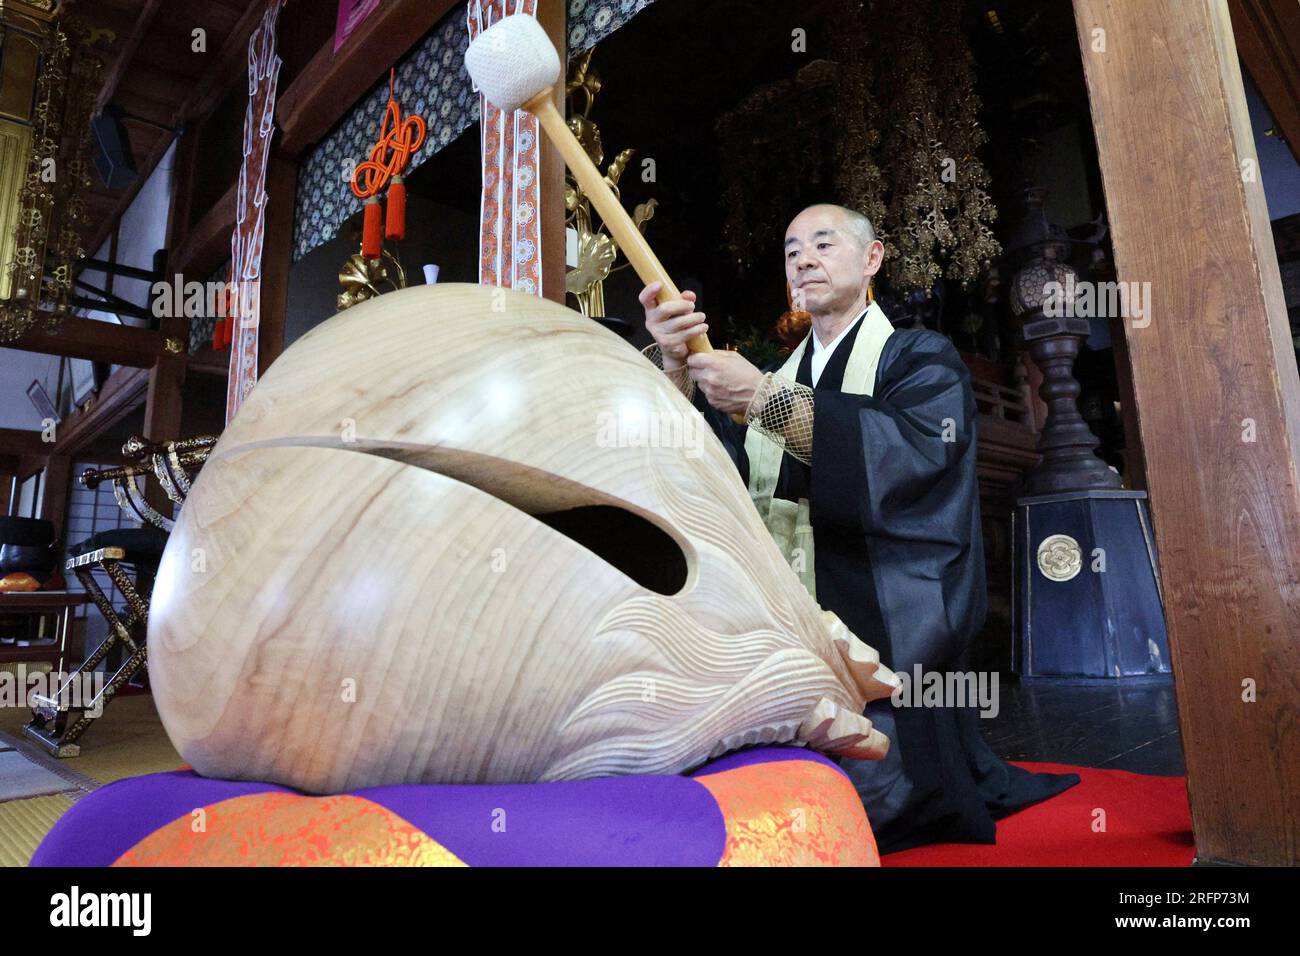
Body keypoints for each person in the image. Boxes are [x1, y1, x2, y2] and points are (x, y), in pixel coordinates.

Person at [639, 203, 1078, 852]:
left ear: (872, 259)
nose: (804, 259)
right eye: (791, 251)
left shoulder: (915, 355)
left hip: (881, 624)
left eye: (823, 243)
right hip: (790, 624)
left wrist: (763, 399)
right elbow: (720, 484)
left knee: (858, 811)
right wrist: (676, 369)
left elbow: (916, 452)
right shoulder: (785, 373)